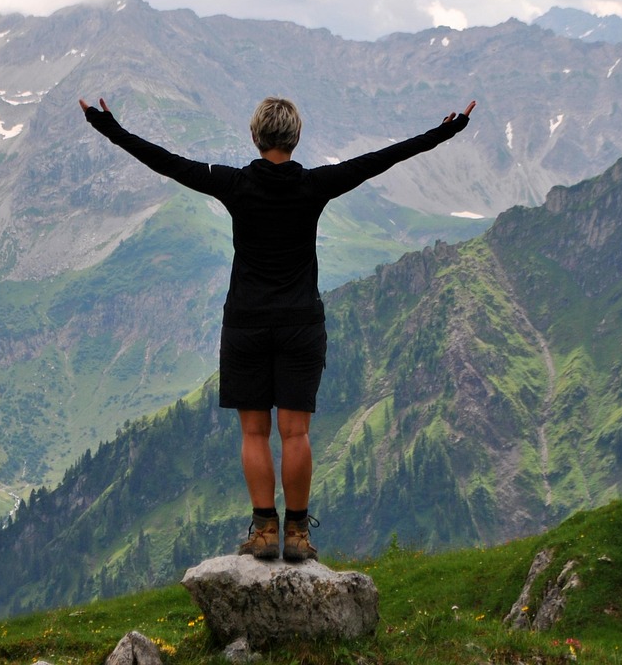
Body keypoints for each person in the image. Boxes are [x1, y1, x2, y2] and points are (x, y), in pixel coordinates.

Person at [80, 94, 476, 561]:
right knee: (295, 434)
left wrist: (108, 127)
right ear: (297, 137)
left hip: (246, 324)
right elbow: (380, 160)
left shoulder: (232, 184)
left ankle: (265, 531)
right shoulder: (315, 185)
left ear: (254, 136)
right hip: (300, 324)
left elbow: (164, 162)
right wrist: (444, 131)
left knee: (253, 433)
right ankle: (298, 535)